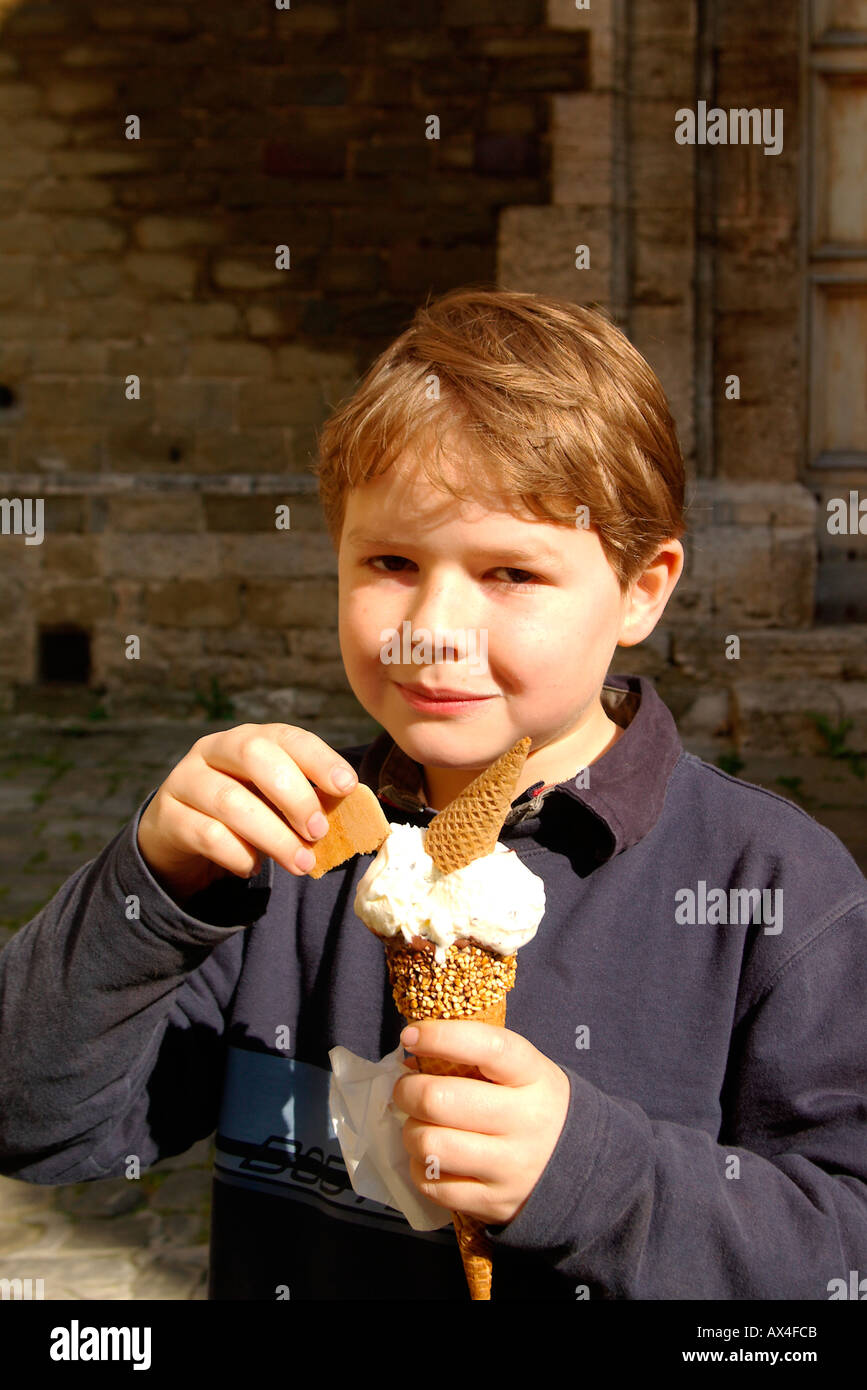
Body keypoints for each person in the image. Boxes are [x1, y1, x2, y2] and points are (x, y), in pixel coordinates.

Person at [1, 287, 865, 1300]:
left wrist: (592, 1173)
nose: (434, 627)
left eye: (509, 572)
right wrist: (150, 889)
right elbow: (36, 1119)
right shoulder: (282, 855)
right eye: (392, 561)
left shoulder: (775, 889)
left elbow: (842, 1247)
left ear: (643, 586)